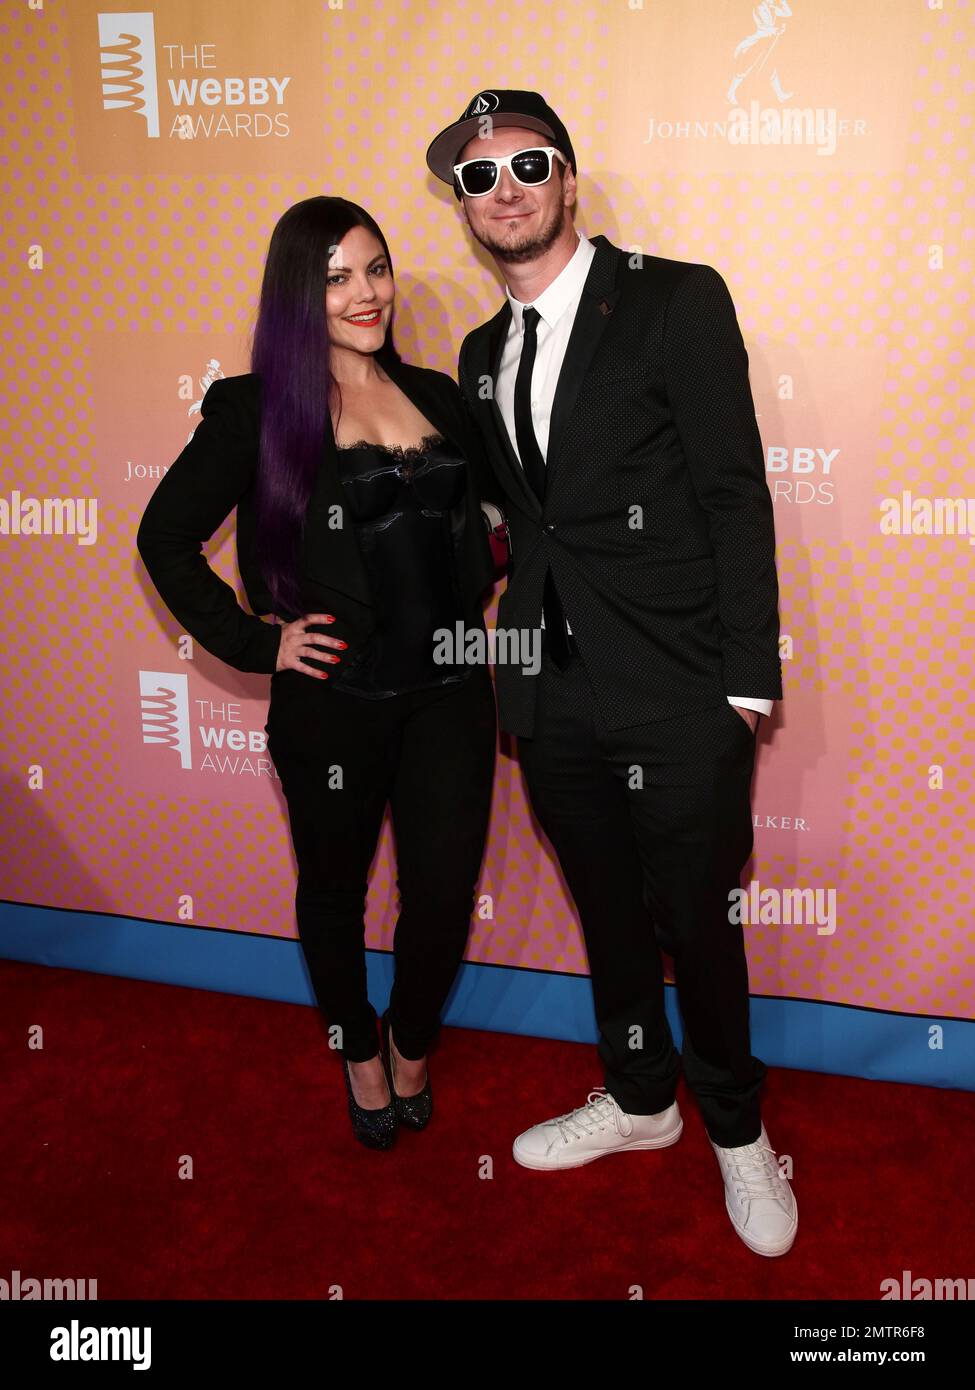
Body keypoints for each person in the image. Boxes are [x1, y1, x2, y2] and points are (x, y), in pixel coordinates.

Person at [425, 91, 797, 1254]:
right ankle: (642, 1101)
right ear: (466, 208)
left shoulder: (676, 298)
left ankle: (739, 1133)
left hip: (683, 686)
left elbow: (736, 492)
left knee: (697, 914)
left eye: (527, 164)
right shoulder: (481, 355)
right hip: (550, 688)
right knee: (609, 915)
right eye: (479, 178)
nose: (507, 190)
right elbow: (517, 523)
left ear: (568, 178)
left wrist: (745, 684)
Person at [136, 197, 498, 1151]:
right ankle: (358, 1050)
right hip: (329, 704)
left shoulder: (442, 395)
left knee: (443, 890)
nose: (365, 293)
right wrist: (262, 644)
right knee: (332, 892)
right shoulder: (257, 408)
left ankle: (412, 1039)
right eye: (335, 276)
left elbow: (484, 537)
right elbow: (165, 538)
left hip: (452, 695)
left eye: (374, 269)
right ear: (299, 291)